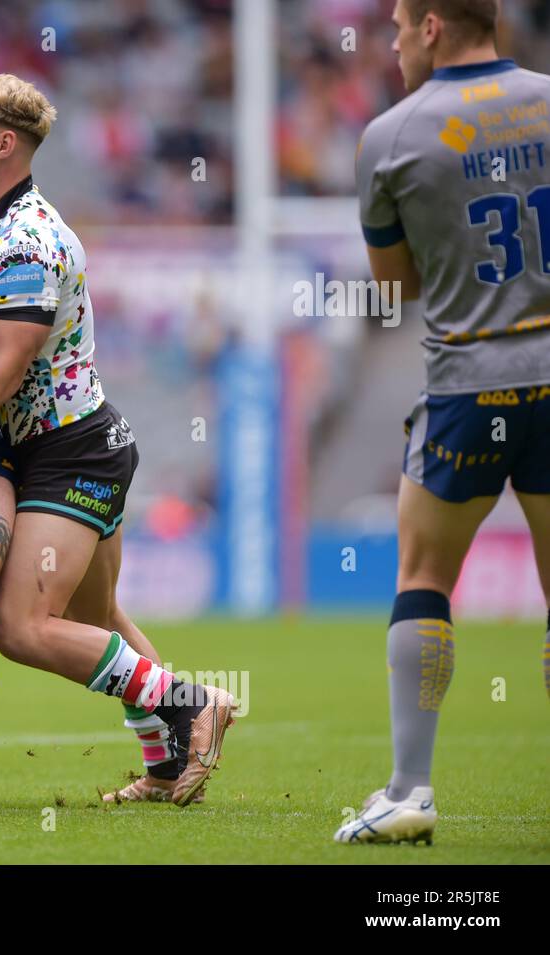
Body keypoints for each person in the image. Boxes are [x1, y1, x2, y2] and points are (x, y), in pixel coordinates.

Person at [0, 74, 236, 807]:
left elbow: (0, 376)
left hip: (74, 451)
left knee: (22, 624)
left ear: (4, 144)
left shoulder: (32, 242)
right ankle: (166, 768)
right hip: (43, 449)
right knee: (99, 621)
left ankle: (195, 702)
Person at [335, 0, 550, 845]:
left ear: (431, 26)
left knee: (424, 574)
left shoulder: (390, 136)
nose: (388, 45)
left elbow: (399, 286)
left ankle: (410, 789)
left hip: (470, 379)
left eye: (395, 28)